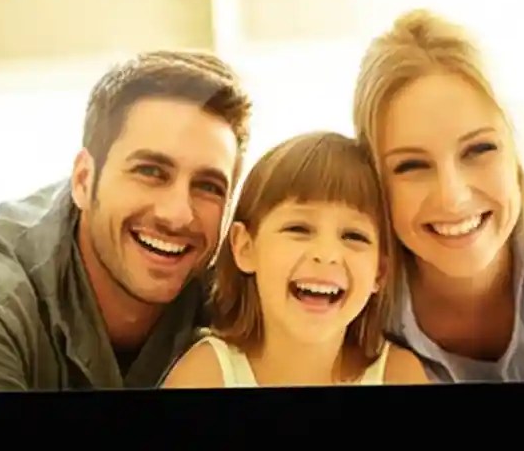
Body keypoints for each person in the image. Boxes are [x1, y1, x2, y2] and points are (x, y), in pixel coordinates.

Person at [0, 50, 253, 391]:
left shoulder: (239, 286)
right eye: (150, 171)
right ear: (84, 180)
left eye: (208, 186)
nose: (178, 215)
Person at [352, 9, 524, 383]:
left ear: (519, 152)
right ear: (375, 182)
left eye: (479, 150)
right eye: (411, 166)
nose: (453, 198)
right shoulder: (359, 299)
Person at [162, 131, 430, 387]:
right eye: (299, 229)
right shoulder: (206, 373)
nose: (326, 255)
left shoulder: (399, 374)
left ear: (380, 272)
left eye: (354, 236)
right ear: (245, 247)